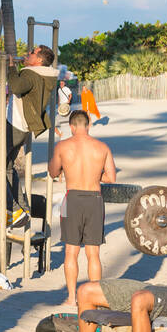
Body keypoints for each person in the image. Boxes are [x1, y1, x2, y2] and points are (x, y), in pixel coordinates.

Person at [0, 45, 59, 226]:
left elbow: (16, 87)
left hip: (14, 126)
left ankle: (14, 210)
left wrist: (12, 68)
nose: (28, 53)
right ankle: (23, 210)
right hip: (22, 128)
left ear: (39, 60)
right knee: (7, 168)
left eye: (32, 52)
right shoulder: (46, 75)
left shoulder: (31, 74)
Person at [49, 109, 116, 308]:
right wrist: (95, 177)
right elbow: (111, 178)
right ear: (88, 125)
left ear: (71, 127)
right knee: (93, 253)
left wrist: (65, 170)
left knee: (71, 251)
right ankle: (94, 297)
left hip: (72, 199)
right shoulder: (102, 147)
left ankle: (71, 297)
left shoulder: (63, 146)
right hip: (95, 199)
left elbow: (53, 172)